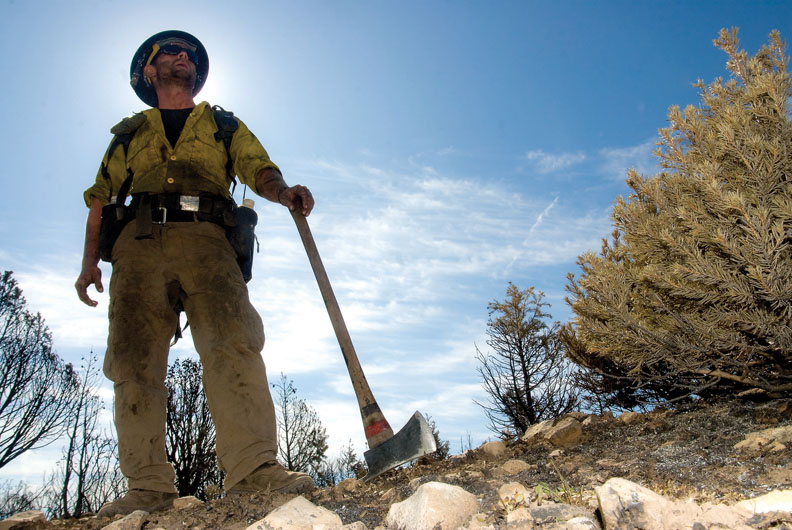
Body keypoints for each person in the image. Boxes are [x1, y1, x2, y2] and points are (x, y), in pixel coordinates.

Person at [74, 30, 316, 518]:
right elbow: (101, 196)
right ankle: (146, 488)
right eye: (171, 51)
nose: (182, 57)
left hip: (208, 242)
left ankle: (254, 473)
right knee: (132, 362)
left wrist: (283, 190)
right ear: (148, 69)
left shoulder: (222, 124)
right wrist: (87, 265)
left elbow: (257, 167)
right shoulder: (128, 133)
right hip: (136, 248)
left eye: (189, 54)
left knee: (232, 342)